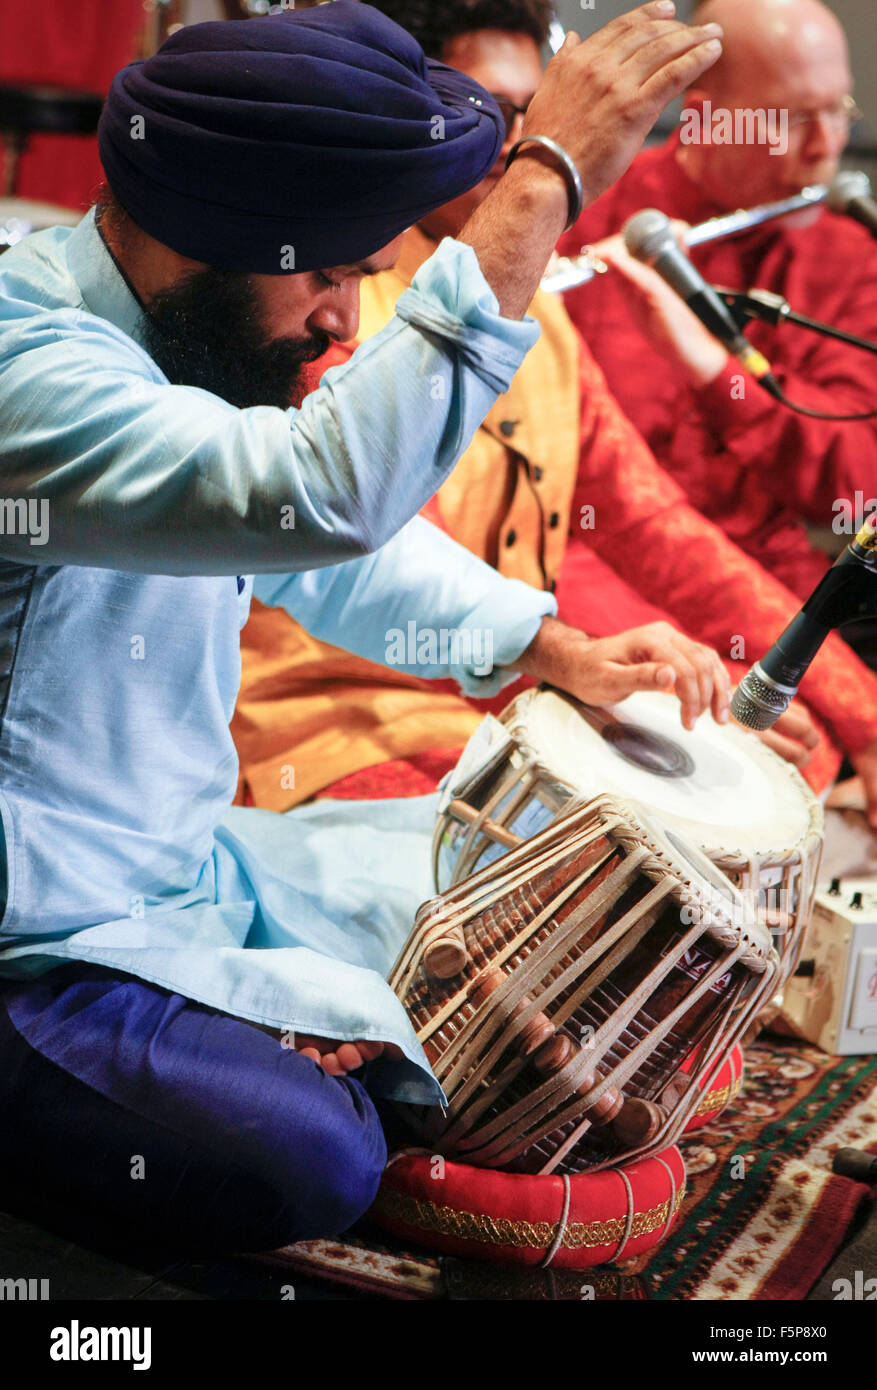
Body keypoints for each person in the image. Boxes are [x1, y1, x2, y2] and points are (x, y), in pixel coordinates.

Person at [0, 2, 729, 1252]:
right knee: (313, 1154)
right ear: (206, 232)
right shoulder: (30, 367)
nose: (344, 319)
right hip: (36, 945)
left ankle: (271, 1032)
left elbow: (317, 548)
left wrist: (548, 646)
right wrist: (544, 174)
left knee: (556, 909)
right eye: (327, 273)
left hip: (182, 873)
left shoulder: (180, 339)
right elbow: (312, 491)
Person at [233, 0, 877, 829]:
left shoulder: (537, 303)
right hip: (343, 715)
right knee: (604, 840)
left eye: (531, 115)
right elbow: (402, 585)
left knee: (781, 765)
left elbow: (651, 523)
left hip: (512, 691)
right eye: (484, 112)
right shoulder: (331, 292)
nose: (517, 145)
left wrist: (860, 713)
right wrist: (595, 673)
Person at [558, 0, 877, 625]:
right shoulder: (585, 211)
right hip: (593, 581)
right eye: (793, 120)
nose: (826, 148)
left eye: (838, 110)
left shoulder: (848, 255)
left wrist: (714, 371)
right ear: (707, 119)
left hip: (772, 586)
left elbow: (855, 484)